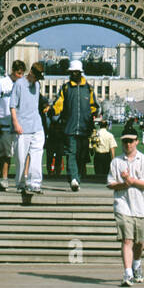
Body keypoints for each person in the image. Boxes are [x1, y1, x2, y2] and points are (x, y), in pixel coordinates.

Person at [107, 121, 144, 286]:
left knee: (139, 242)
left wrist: (130, 180)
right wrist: (124, 184)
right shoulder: (116, 162)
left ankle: (137, 264)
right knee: (127, 240)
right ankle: (127, 273)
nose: (128, 144)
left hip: (141, 207)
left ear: (137, 141)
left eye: (131, 141)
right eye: (125, 141)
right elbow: (111, 183)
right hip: (123, 205)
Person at [50, 58, 99, 192]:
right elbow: (59, 104)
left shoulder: (88, 88)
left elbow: (94, 106)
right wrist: (52, 110)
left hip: (85, 128)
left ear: (80, 73)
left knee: (81, 156)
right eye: (73, 72)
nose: (74, 75)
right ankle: (74, 179)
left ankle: (75, 177)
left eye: (76, 72)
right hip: (70, 128)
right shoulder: (66, 88)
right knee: (71, 153)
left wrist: (94, 116)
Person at [0, 60, 26, 191]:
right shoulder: (1, 83)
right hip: (4, 124)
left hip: (19, 125)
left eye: (22, 73)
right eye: (19, 73)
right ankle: (4, 179)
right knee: (5, 154)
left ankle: (22, 179)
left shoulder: (24, 84)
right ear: (13, 71)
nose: (20, 76)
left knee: (22, 155)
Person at [10, 61, 46, 197]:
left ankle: (35, 183)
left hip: (36, 125)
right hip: (22, 127)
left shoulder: (37, 85)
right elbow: (12, 106)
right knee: (20, 157)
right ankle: (20, 183)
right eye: (36, 77)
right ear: (31, 72)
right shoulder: (19, 84)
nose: (37, 80)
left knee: (37, 155)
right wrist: (16, 123)